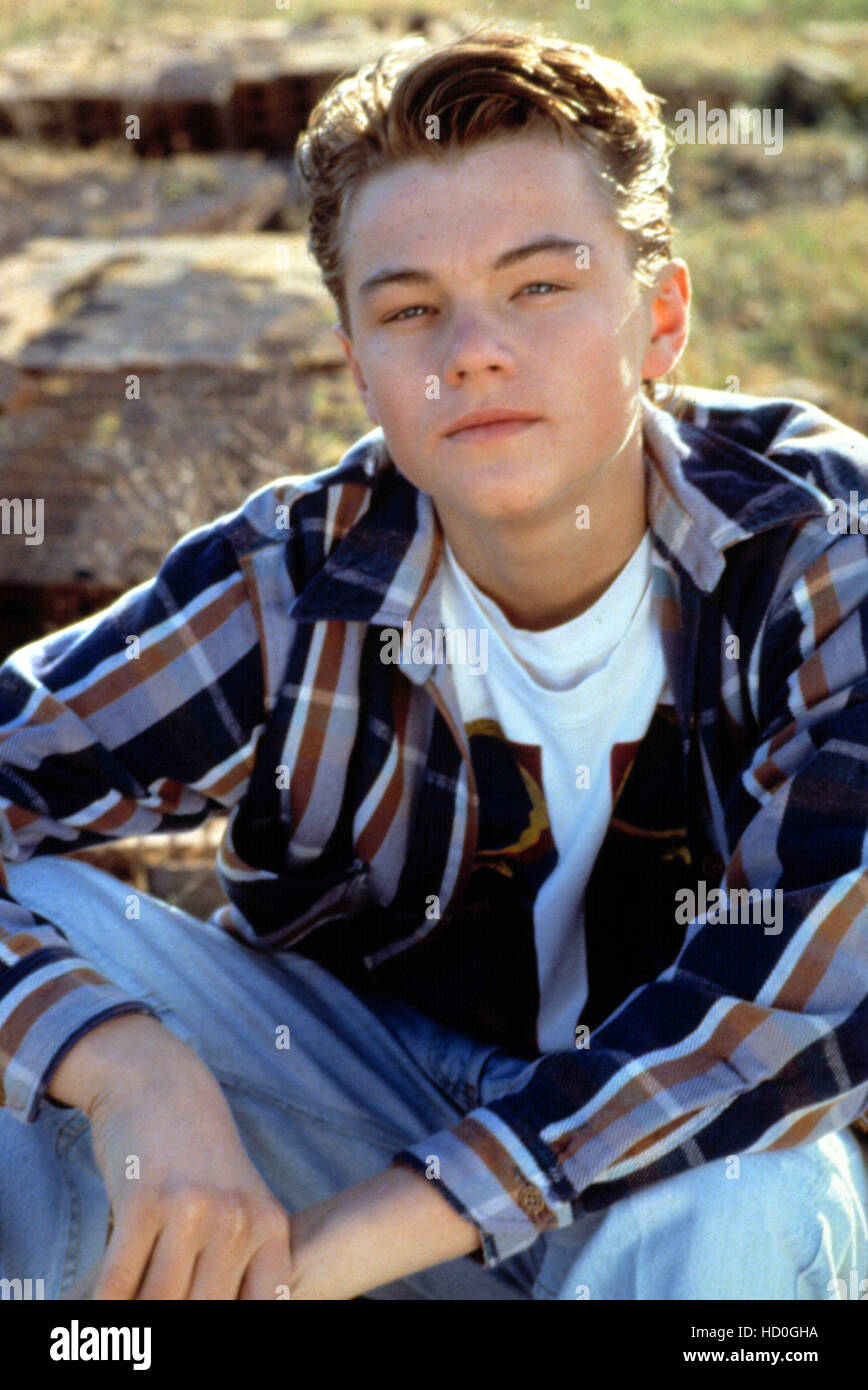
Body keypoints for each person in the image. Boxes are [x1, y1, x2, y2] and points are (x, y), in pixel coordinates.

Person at [1, 23, 868, 1302]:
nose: (471, 350)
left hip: (664, 1195)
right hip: (361, 1109)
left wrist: (350, 1250)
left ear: (661, 318)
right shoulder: (293, 576)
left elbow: (786, 1017)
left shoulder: (819, 558)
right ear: (359, 366)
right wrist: (132, 1065)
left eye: (539, 286)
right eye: (410, 309)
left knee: (749, 1189)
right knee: (61, 961)